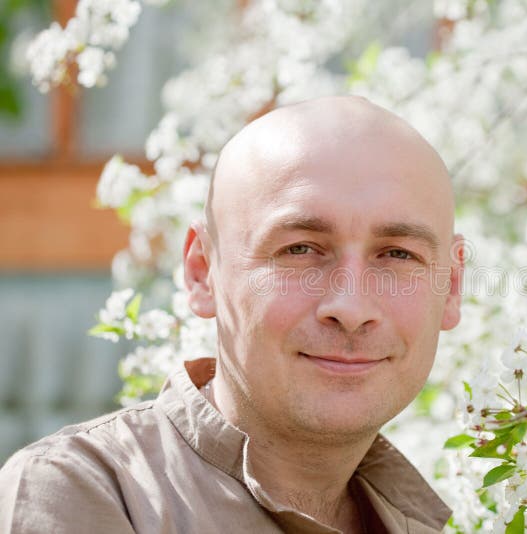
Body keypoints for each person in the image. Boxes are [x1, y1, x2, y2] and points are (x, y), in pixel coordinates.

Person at [0, 95, 464, 533]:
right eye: (299, 249)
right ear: (202, 272)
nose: (351, 307)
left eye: (398, 255)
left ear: (452, 287)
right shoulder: (84, 493)